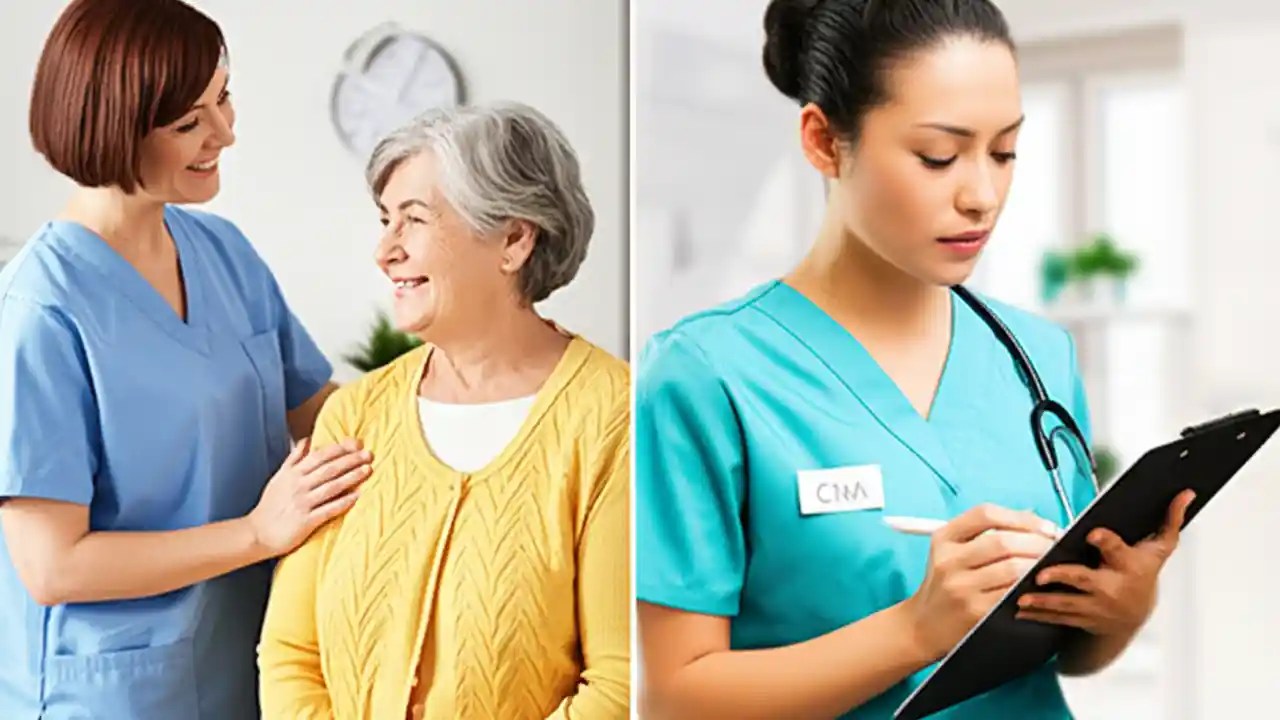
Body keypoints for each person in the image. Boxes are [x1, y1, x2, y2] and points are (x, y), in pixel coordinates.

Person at [634, 1, 1195, 718]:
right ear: (824, 141)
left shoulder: (1039, 357)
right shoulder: (704, 375)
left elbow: (1068, 651)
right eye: (938, 156)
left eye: (1004, 152)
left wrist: (1121, 609)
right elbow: (676, 699)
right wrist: (913, 631)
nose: (982, 196)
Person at [0, 1, 370, 718]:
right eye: (188, 124)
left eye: (223, 98)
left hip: (249, 663)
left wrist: (466, 388)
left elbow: (320, 410)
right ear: (114, 128)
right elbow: (53, 565)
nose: (225, 133)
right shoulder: (41, 311)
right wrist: (257, 533)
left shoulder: (224, 253)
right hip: (118, 695)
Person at [257, 101, 631, 720]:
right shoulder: (354, 416)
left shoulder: (615, 419)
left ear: (513, 239)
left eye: (414, 220)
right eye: (385, 220)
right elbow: (291, 654)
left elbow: (619, 685)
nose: (385, 251)